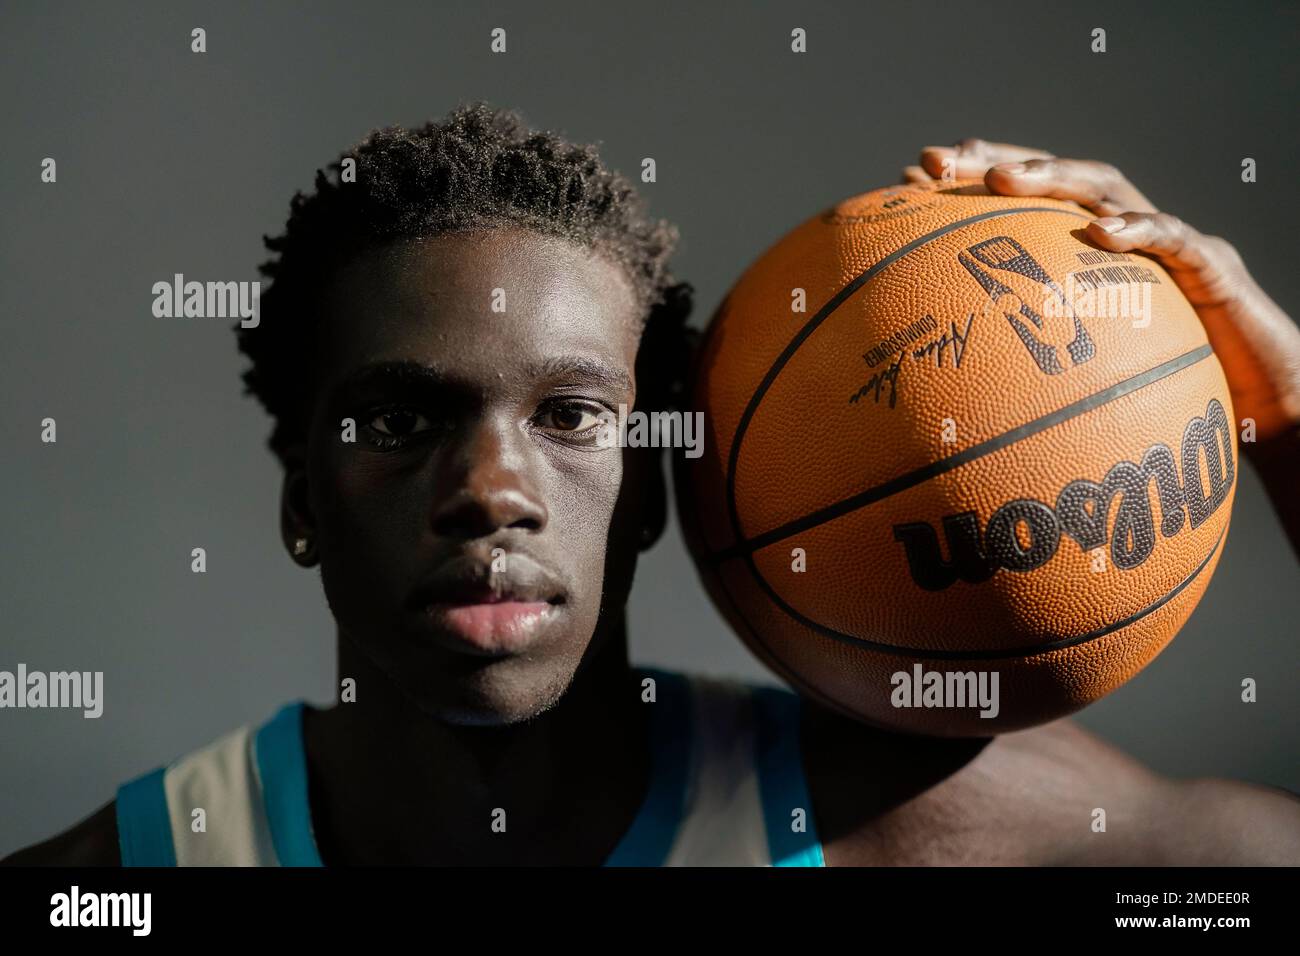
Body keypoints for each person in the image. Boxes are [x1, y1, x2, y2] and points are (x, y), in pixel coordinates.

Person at [5, 112, 1298, 867]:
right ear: (301, 495)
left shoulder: (882, 826)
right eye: (400, 416)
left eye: (571, 416)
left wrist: (1288, 414)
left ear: (651, 494)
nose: (491, 489)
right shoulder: (128, 873)